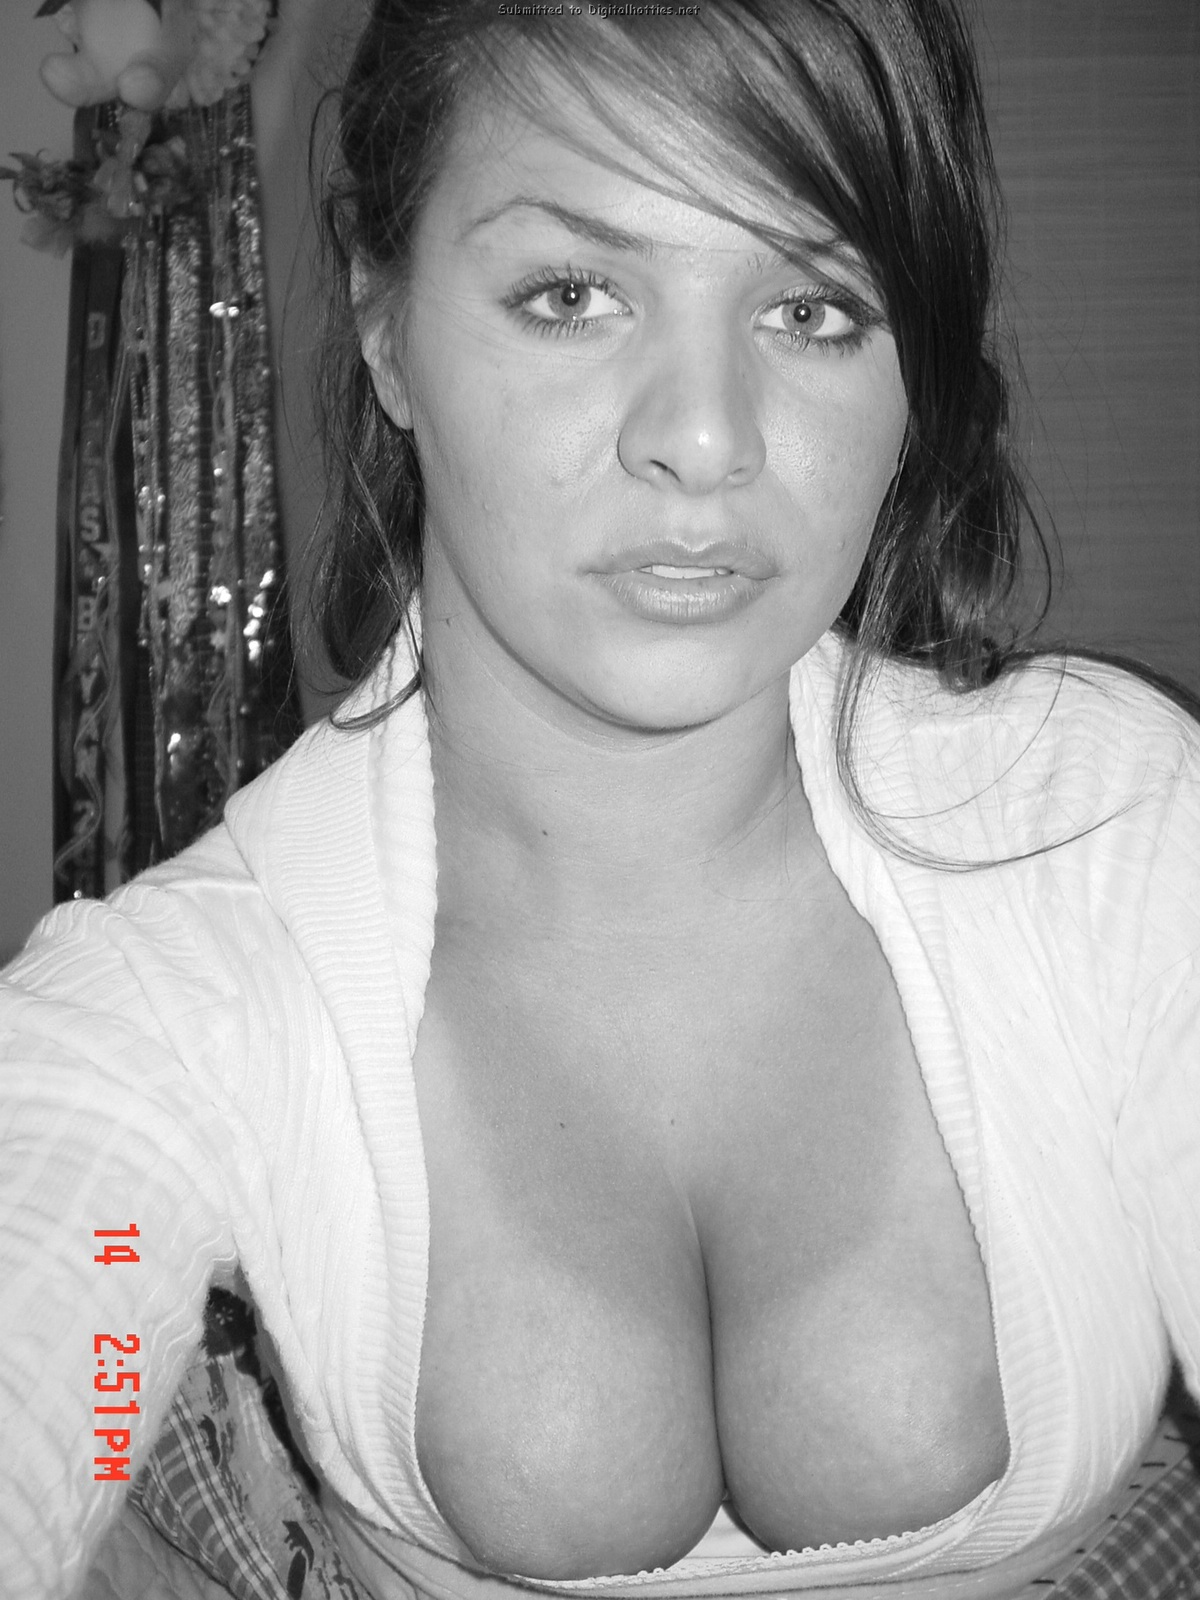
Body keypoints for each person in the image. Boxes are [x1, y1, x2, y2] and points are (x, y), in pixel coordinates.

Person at [2, 1, 1199, 1597]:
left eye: (815, 309)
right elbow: (65, 1365)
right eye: (571, 294)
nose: (704, 438)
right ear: (384, 320)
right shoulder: (182, 1002)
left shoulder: (1109, 829)